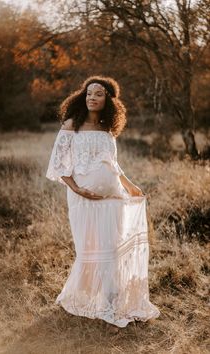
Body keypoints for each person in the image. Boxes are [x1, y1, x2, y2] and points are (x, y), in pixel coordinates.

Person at [46, 75, 160, 328]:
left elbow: (113, 164)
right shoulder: (71, 124)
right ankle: (87, 296)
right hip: (83, 200)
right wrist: (78, 189)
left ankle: (112, 300)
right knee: (89, 247)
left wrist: (130, 185)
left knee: (111, 246)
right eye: (88, 93)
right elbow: (58, 163)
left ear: (108, 99)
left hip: (113, 197)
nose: (92, 98)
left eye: (98, 94)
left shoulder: (108, 128)